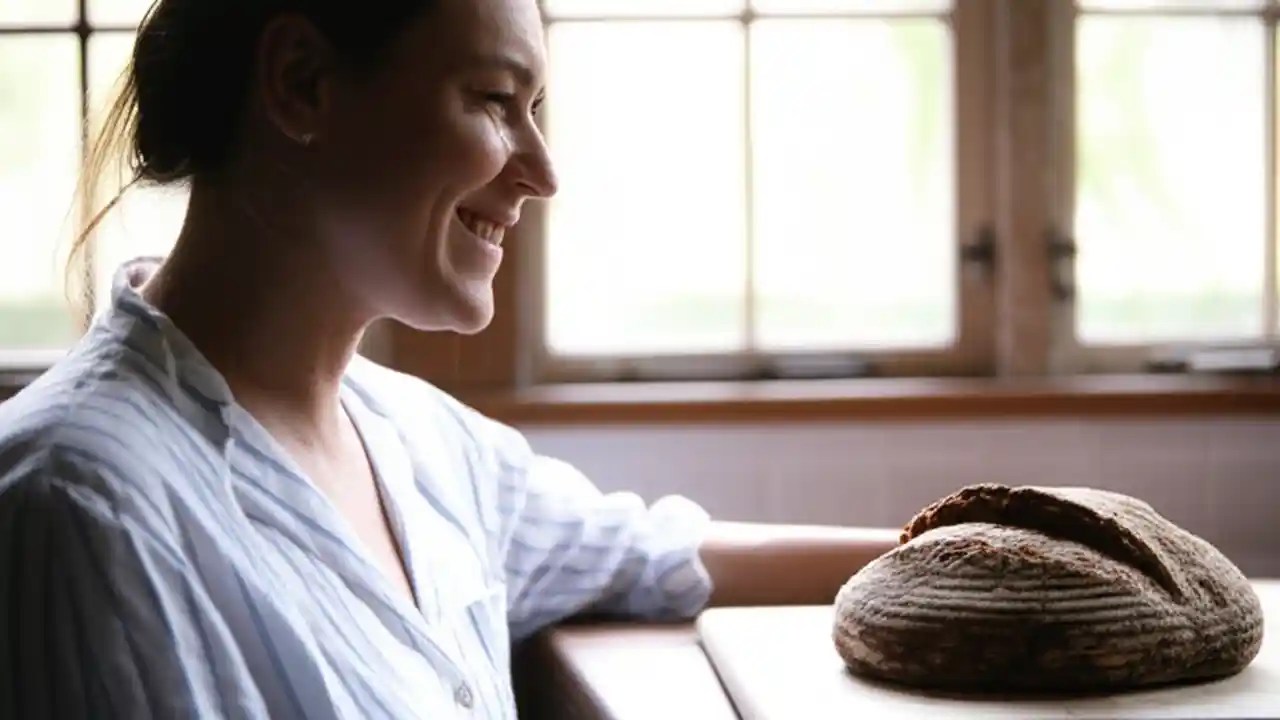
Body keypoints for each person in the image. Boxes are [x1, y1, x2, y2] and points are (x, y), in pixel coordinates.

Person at [0, 0, 890, 717]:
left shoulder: (420, 442)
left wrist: (998, 537)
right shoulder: (80, 508)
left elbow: (660, 555)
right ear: (300, 84)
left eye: (534, 110)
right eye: (496, 101)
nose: (542, 171)